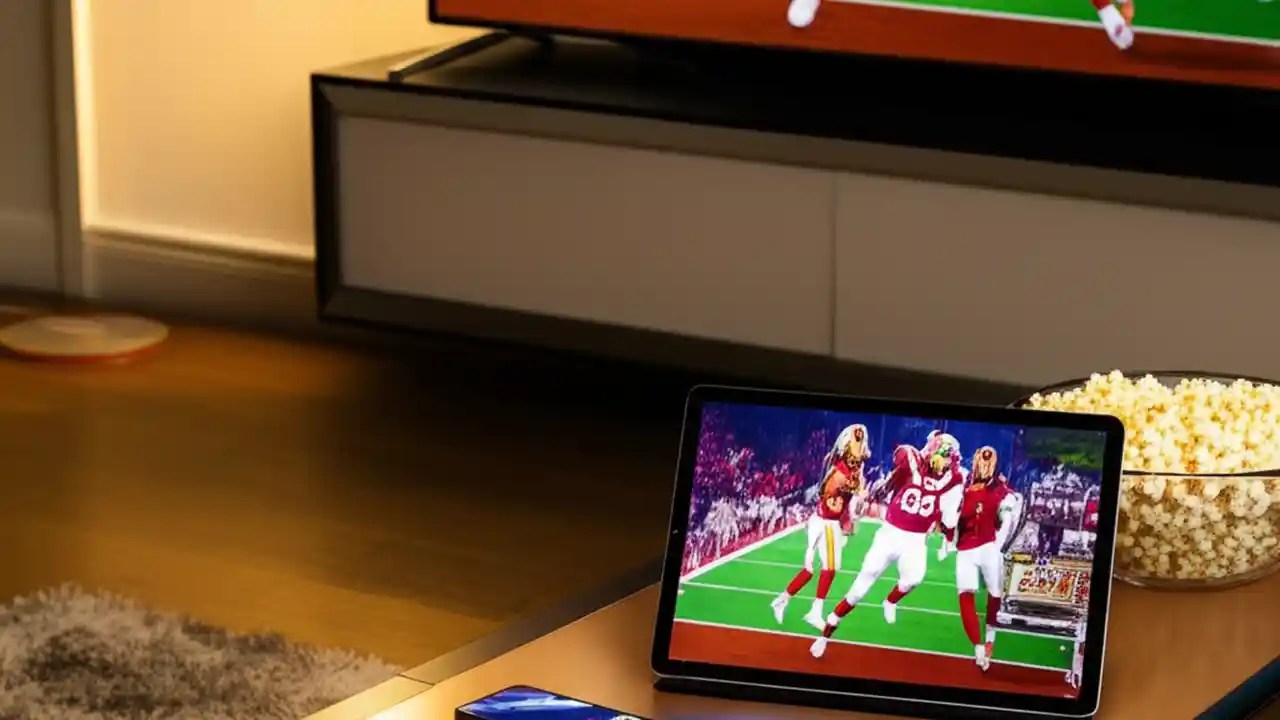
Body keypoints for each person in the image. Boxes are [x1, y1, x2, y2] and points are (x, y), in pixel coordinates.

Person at [810, 431, 966, 659]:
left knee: (914, 578)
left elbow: (949, 514)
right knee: (857, 592)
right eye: (948, 456)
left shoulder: (953, 479)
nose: (949, 463)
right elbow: (900, 465)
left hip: (916, 540)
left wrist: (948, 531)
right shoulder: (910, 457)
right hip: (890, 534)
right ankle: (824, 637)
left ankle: (890, 601)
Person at [772, 424, 871, 629]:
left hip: (822, 522)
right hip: (827, 523)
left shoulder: (843, 468)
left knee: (810, 570)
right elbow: (841, 499)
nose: (857, 461)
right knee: (830, 568)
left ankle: (782, 600)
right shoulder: (839, 474)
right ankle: (814, 612)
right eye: (855, 458)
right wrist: (858, 492)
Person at [945, 446, 1022, 671]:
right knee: (965, 595)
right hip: (966, 548)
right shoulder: (963, 488)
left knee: (995, 594)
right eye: (981, 461)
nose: (984, 466)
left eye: (988, 462)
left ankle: (989, 639)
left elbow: (1009, 517)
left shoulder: (1001, 490)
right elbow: (950, 519)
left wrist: (1000, 543)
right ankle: (978, 646)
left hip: (989, 546)